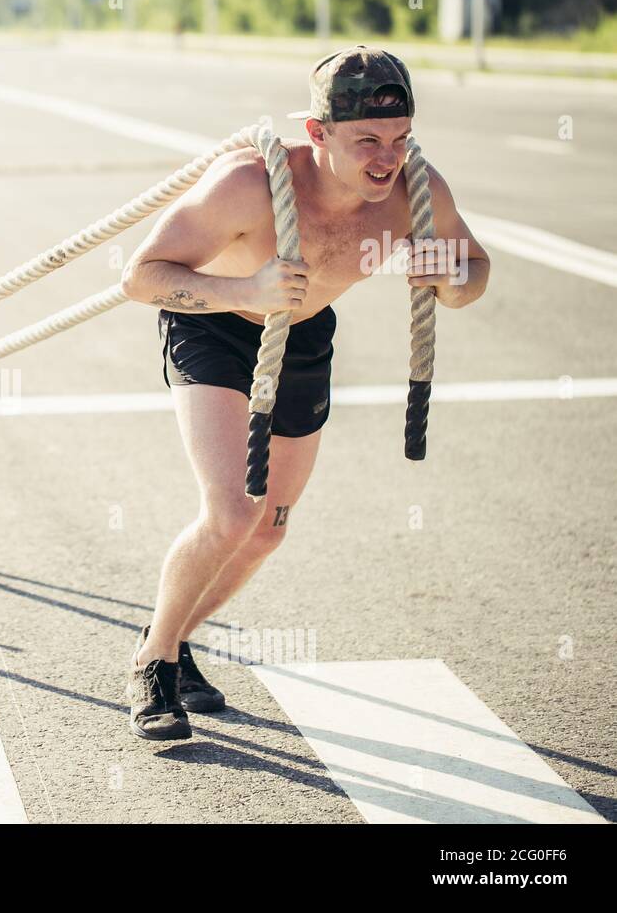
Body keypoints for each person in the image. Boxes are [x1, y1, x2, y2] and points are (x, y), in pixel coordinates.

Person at [119, 46, 490, 741]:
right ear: (318, 135)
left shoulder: (415, 189)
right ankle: (152, 664)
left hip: (303, 336)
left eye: (402, 137)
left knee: (267, 530)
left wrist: (448, 277)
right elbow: (140, 279)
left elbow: (475, 269)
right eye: (368, 141)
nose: (388, 157)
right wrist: (243, 289)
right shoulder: (249, 185)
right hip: (215, 325)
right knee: (231, 512)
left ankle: (171, 635)